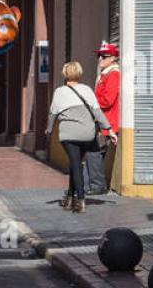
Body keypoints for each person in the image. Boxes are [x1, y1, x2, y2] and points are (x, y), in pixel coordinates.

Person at [47, 61, 117, 214]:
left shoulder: (59, 91)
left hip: (69, 135)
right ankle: (70, 198)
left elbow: (53, 114)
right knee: (75, 164)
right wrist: (109, 130)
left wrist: (49, 130)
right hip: (87, 134)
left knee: (76, 164)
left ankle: (80, 200)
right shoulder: (87, 89)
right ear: (79, 73)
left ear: (65, 74)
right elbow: (98, 113)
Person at [85, 41, 121, 196]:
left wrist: (92, 102)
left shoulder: (113, 74)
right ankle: (85, 185)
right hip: (100, 120)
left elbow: (108, 99)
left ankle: (98, 185)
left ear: (113, 58)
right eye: (99, 56)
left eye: (104, 56)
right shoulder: (104, 75)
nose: (100, 59)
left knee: (94, 151)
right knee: (92, 152)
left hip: (107, 121)